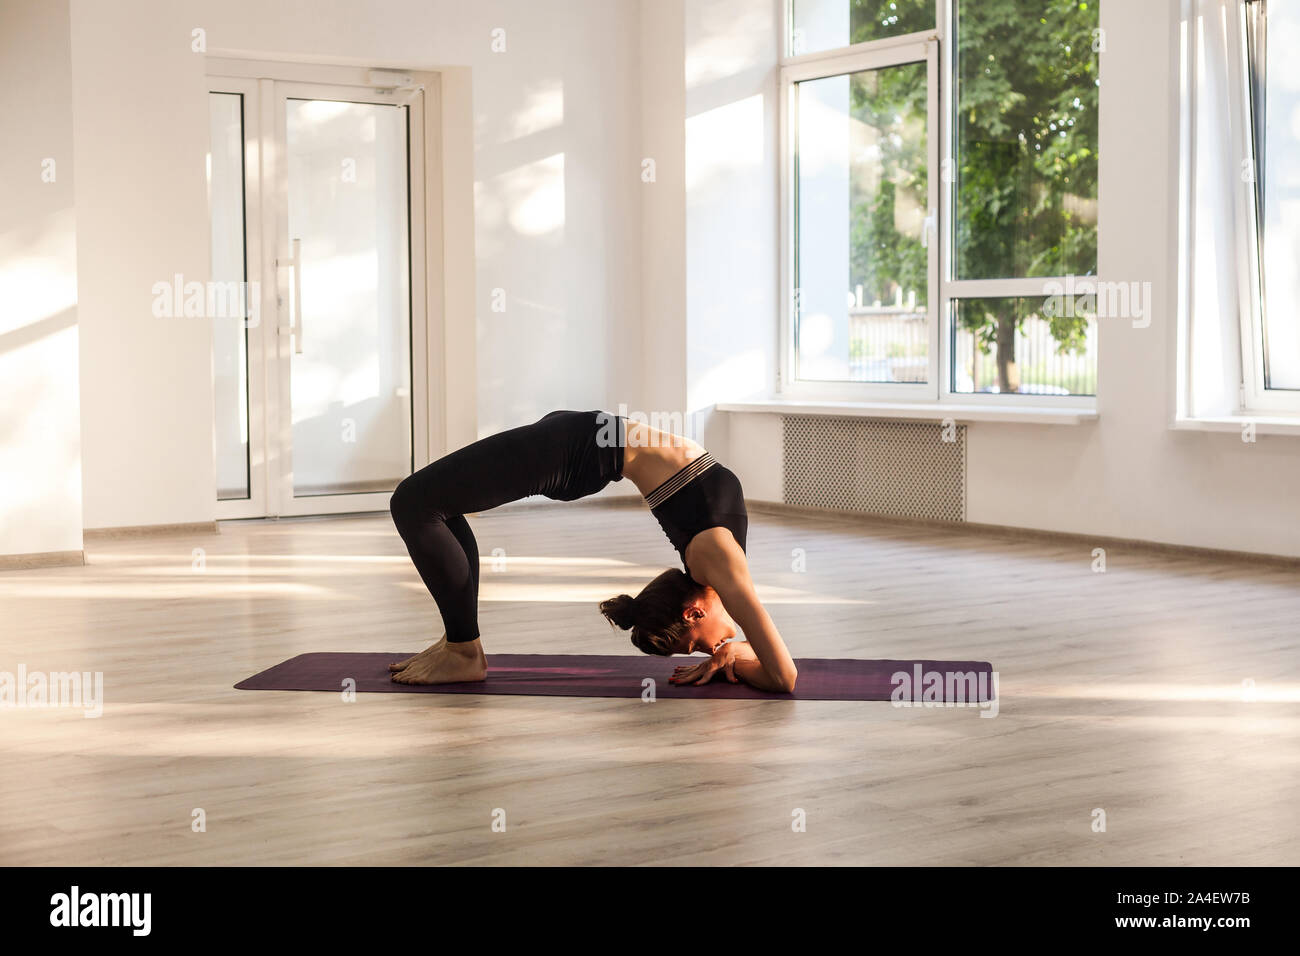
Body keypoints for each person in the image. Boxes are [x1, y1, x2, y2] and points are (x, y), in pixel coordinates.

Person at [387, 410, 797, 692]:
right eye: (701, 647)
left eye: (705, 650)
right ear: (694, 613)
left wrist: (729, 650)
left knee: (421, 503)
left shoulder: (713, 561)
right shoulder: (719, 564)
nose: (713, 651)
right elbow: (784, 677)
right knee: (414, 502)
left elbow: (772, 662)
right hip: (576, 447)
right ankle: (462, 649)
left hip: (583, 442)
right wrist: (732, 653)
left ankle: (460, 644)